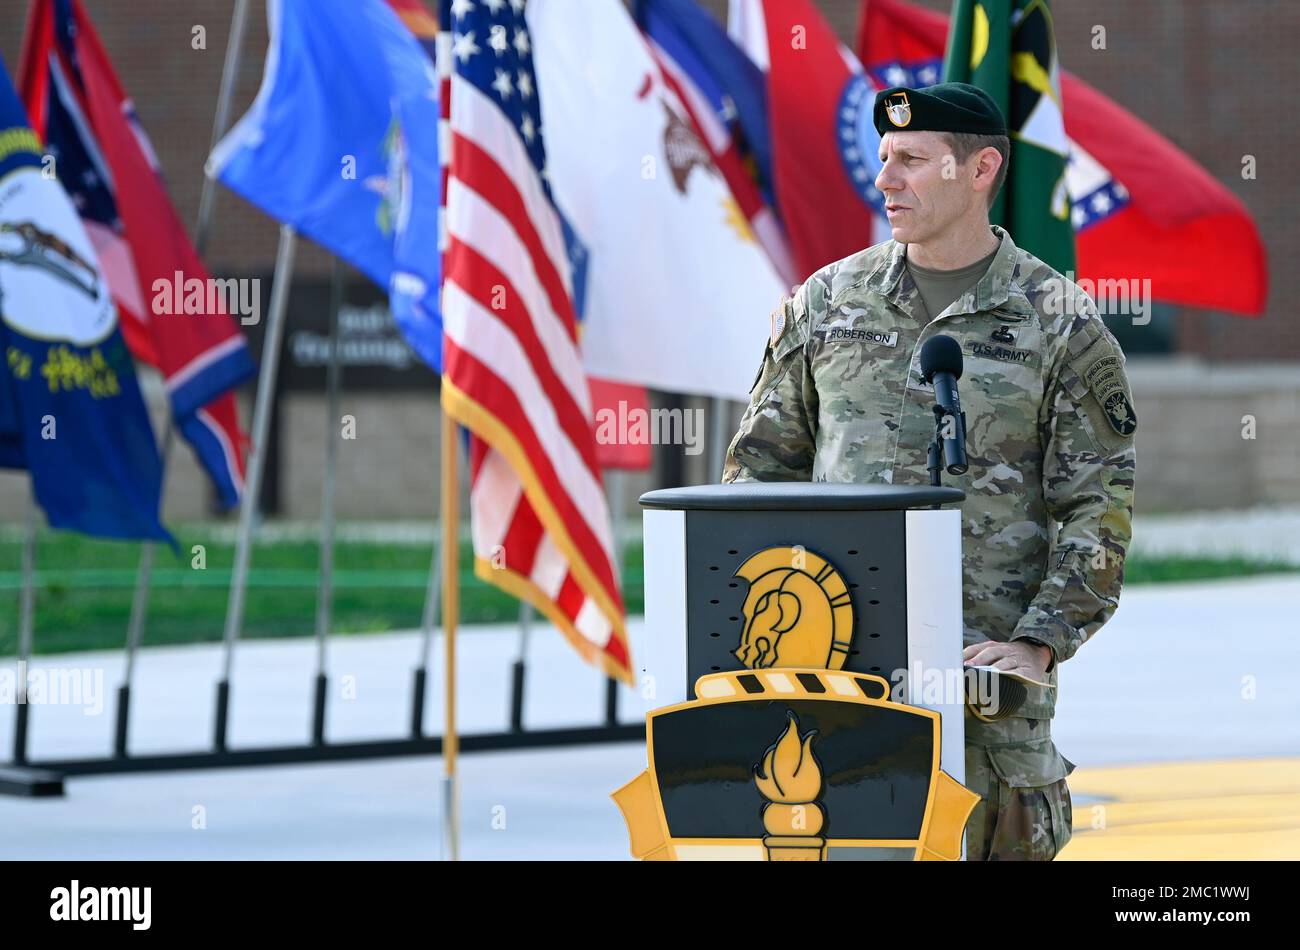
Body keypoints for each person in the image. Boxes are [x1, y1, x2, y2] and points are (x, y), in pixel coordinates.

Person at [722, 81, 1137, 860]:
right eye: (883, 158)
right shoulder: (825, 304)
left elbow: (1098, 511)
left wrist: (1037, 643)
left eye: (911, 159)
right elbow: (757, 482)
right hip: (836, 705)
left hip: (986, 716)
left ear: (980, 170)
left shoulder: (1059, 324)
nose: (885, 179)